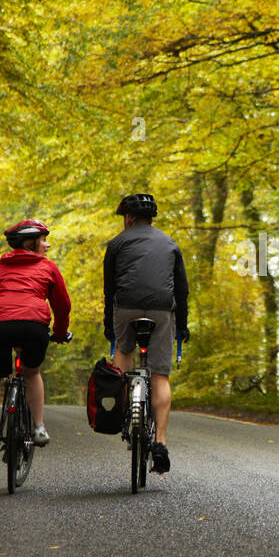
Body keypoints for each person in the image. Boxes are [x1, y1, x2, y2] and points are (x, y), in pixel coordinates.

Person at [104, 193, 189, 473]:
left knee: (124, 353)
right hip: (161, 309)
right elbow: (181, 290)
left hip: (126, 307)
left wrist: (109, 325)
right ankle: (161, 443)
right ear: (151, 218)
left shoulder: (117, 243)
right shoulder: (170, 243)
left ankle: (128, 409)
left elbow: (110, 289)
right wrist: (181, 325)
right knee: (160, 374)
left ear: (128, 218)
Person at [0, 219, 72, 451]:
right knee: (31, 373)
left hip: (0, 326)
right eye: (43, 240)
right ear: (31, 243)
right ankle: (39, 427)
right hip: (34, 326)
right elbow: (62, 305)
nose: (47, 246)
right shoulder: (48, 267)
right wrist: (59, 333)